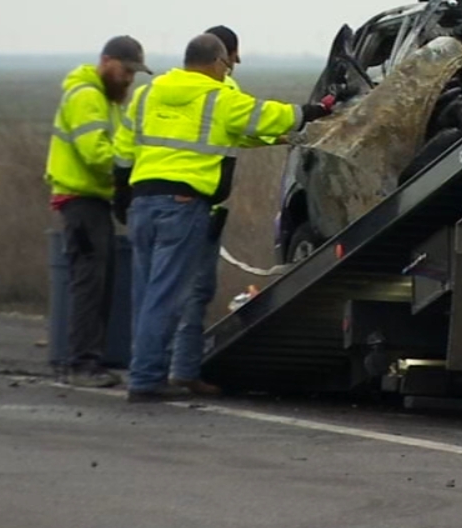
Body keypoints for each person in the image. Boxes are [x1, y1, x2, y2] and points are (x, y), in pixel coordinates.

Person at [114, 33, 336, 402]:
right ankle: (146, 379)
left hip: (142, 204)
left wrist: (120, 196)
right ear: (218, 63)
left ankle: (147, 369)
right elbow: (265, 115)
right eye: (227, 64)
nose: (228, 69)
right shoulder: (218, 97)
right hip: (183, 205)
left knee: (147, 294)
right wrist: (316, 110)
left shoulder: (147, 94)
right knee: (166, 296)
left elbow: (123, 148)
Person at [167, 24, 272, 388]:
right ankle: (176, 370)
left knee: (171, 289)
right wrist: (303, 124)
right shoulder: (221, 91)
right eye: (233, 56)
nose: (236, 63)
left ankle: (166, 367)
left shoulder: (163, 90)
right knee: (189, 290)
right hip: (193, 203)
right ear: (221, 58)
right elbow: (249, 126)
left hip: (174, 202)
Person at [43, 35, 150, 388]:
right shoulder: (88, 97)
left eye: (134, 73)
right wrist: (130, 176)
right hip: (81, 200)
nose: (129, 78)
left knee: (98, 281)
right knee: (89, 283)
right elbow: (97, 153)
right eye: (126, 69)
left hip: (94, 201)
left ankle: (89, 359)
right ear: (106, 62)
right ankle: (81, 365)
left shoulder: (109, 99)